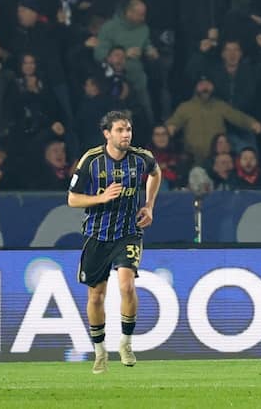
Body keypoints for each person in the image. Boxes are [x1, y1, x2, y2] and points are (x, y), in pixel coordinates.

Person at [67, 110, 161, 374]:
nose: (126, 134)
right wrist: (100, 198)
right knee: (96, 296)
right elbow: (72, 199)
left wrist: (149, 205)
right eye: (120, 130)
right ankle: (99, 352)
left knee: (127, 285)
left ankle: (126, 343)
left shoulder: (141, 158)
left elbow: (156, 172)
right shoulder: (91, 160)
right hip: (97, 234)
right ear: (107, 133)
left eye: (128, 129)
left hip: (128, 232)